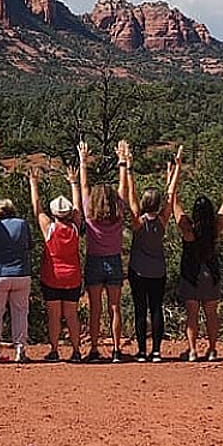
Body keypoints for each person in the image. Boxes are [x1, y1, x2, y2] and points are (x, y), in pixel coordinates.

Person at [173, 162, 223, 362]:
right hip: (210, 274)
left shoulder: (187, 229)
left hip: (191, 275)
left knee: (192, 315)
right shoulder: (216, 227)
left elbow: (173, 203)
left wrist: (172, 180)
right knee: (212, 314)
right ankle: (212, 350)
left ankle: (192, 351)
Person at [120, 140, 182, 363]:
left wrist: (128, 166)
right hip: (158, 271)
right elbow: (171, 194)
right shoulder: (163, 221)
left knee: (140, 310)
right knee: (156, 308)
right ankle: (156, 351)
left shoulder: (138, 222)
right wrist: (177, 168)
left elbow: (131, 194)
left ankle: (142, 352)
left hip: (138, 272)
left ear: (145, 204)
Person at [77, 140, 128, 362]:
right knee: (115, 308)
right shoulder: (119, 212)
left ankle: (95, 349)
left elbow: (84, 185)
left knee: (95, 308)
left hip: (94, 261)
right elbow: (123, 188)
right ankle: (117, 350)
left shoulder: (89, 211)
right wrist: (123, 163)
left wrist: (83, 161)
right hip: (114, 261)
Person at [29, 166, 84, 362]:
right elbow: (78, 206)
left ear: (54, 213)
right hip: (73, 278)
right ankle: (77, 351)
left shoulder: (49, 228)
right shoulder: (75, 227)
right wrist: (73, 182)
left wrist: (33, 183)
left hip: (52, 277)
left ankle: (54, 350)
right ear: (68, 213)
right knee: (71, 315)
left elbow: (37, 209)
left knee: (54, 316)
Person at [0, 198, 32, 364]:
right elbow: (30, 245)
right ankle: (20, 349)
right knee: (21, 312)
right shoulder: (23, 224)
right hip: (21, 273)